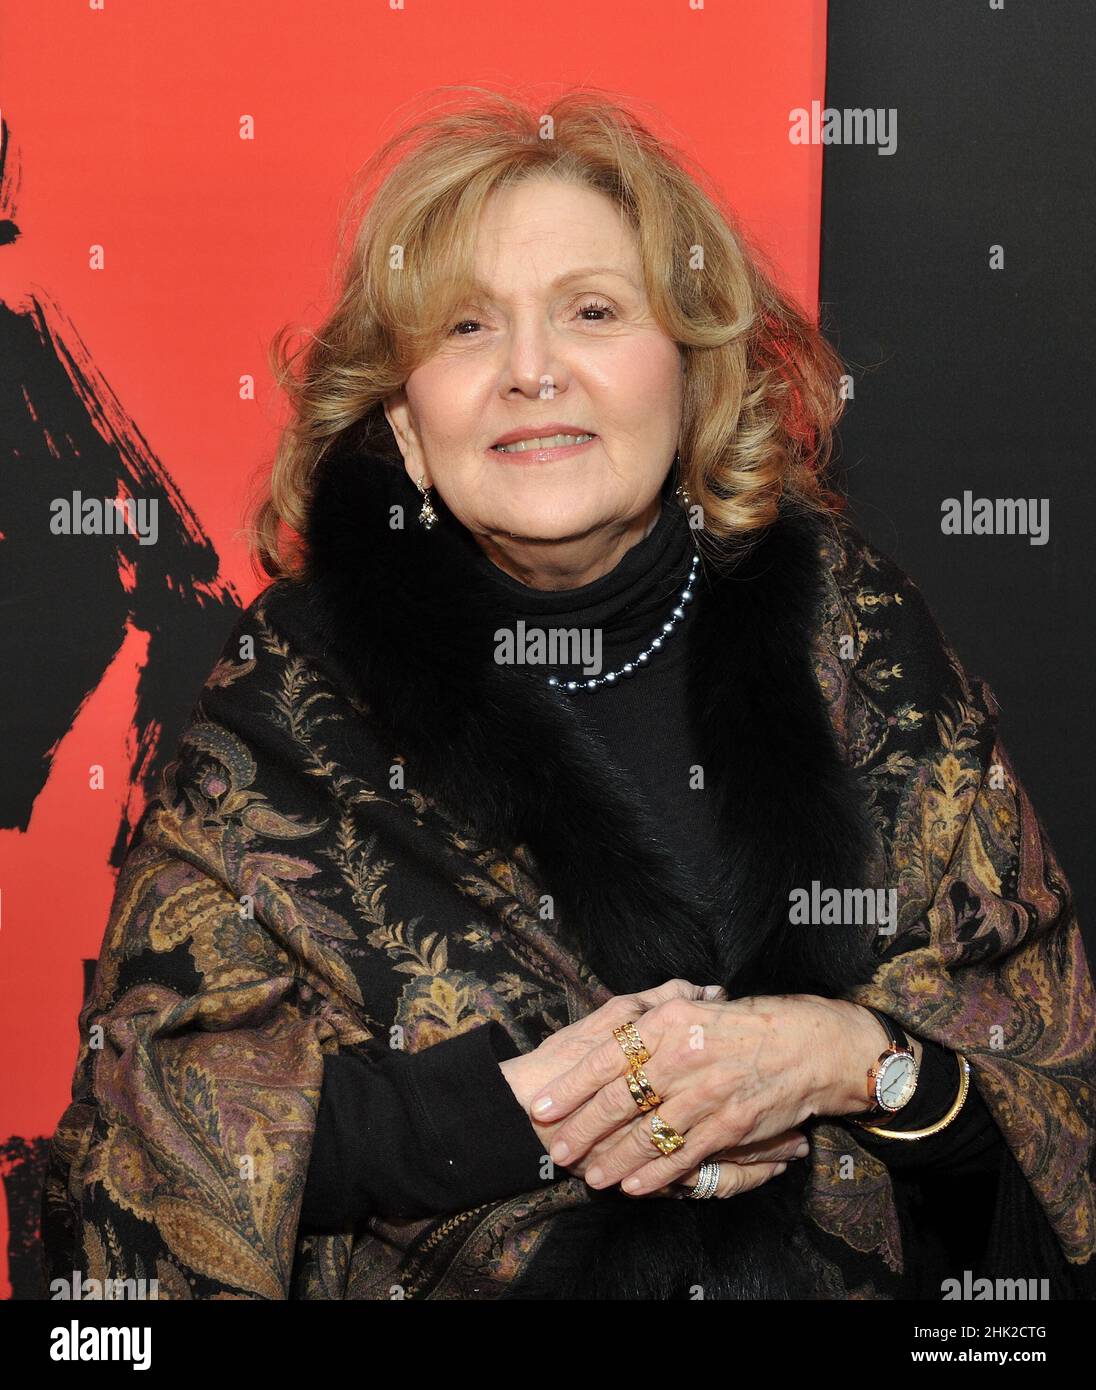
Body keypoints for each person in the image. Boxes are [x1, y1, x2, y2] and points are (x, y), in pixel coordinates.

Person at [41, 87, 1096, 1301]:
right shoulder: (286, 697)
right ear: (405, 419)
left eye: (591, 311)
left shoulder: (859, 637)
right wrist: (526, 1107)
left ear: (693, 375)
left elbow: (1046, 1097)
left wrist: (850, 1060)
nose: (532, 372)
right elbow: (130, 1157)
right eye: (466, 331)